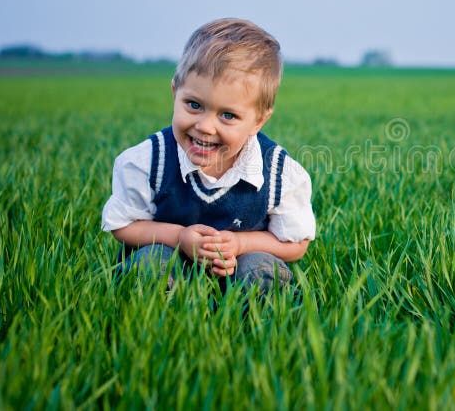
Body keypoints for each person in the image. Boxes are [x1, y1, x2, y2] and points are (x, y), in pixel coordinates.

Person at [101, 18, 315, 294]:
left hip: (239, 265)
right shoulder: (149, 160)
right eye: (193, 105)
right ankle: (158, 314)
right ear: (175, 92)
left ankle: (255, 322)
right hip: (169, 258)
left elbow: (296, 244)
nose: (204, 126)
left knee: (261, 267)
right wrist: (179, 237)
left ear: (258, 121)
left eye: (228, 115)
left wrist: (241, 244)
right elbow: (123, 225)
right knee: (151, 263)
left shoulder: (278, 171)